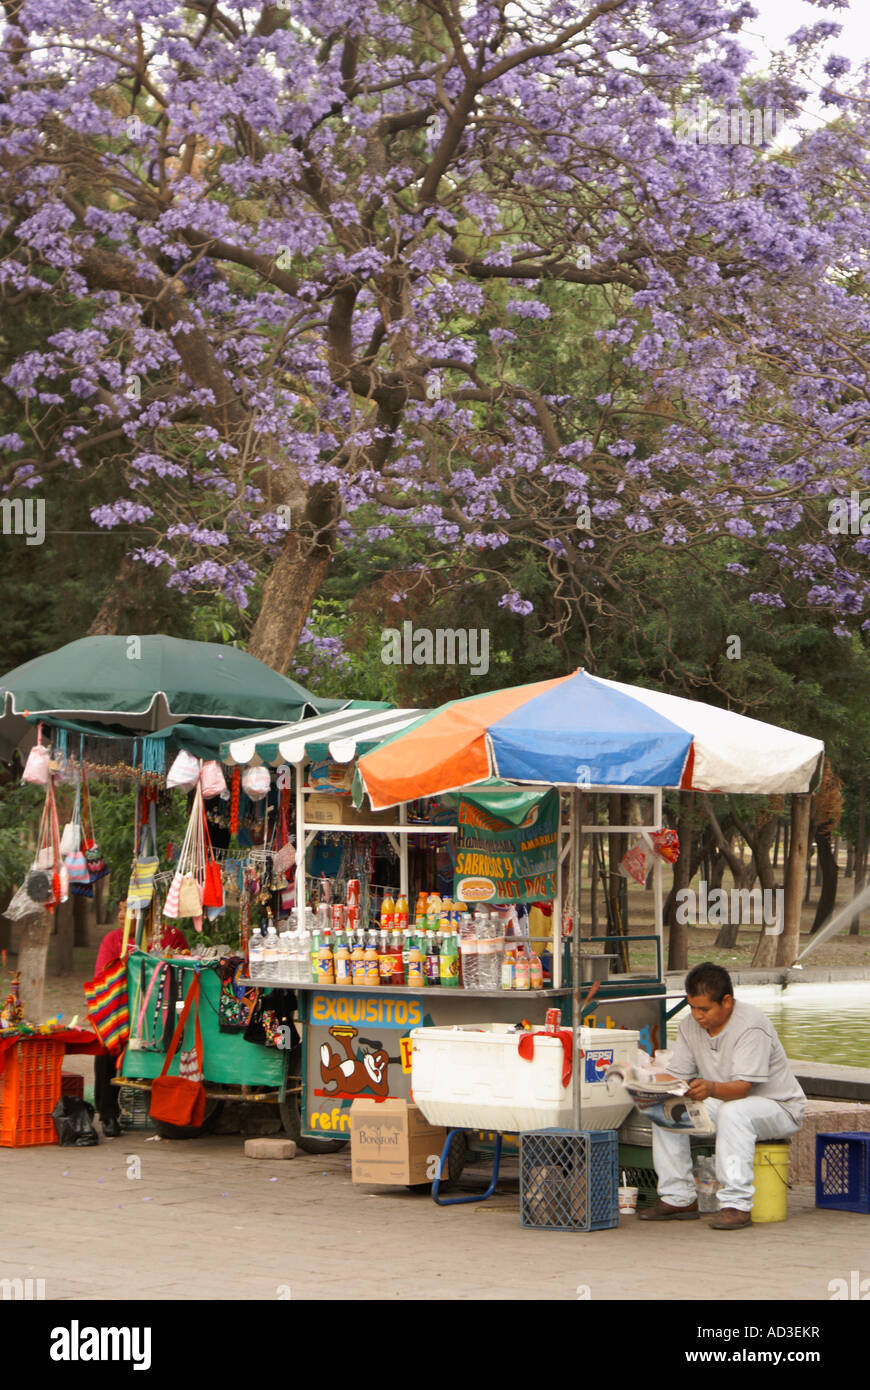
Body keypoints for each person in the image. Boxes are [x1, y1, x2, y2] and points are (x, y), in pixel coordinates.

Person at [639, 962, 806, 1229]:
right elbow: (677, 1074)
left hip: (779, 1107)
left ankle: (736, 1204)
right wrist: (640, 1081)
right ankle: (678, 1198)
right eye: (692, 1007)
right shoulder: (689, 1026)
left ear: (727, 1001)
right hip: (727, 1102)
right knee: (667, 1108)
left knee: (734, 1112)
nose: (697, 1015)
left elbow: (742, 1089)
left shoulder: (751, 1026)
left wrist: (711, 1088)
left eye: (704, 1008)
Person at [90, 900, 187, 1137]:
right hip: (123, 1010)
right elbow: (103, 980)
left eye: (127, 910)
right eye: (120, 909)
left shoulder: (172, 936)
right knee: (105, 1045)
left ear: (146, 913)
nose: (121, 915)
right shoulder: (113, 940)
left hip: (162, 1011)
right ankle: (108, 1114)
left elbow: (182, 969)